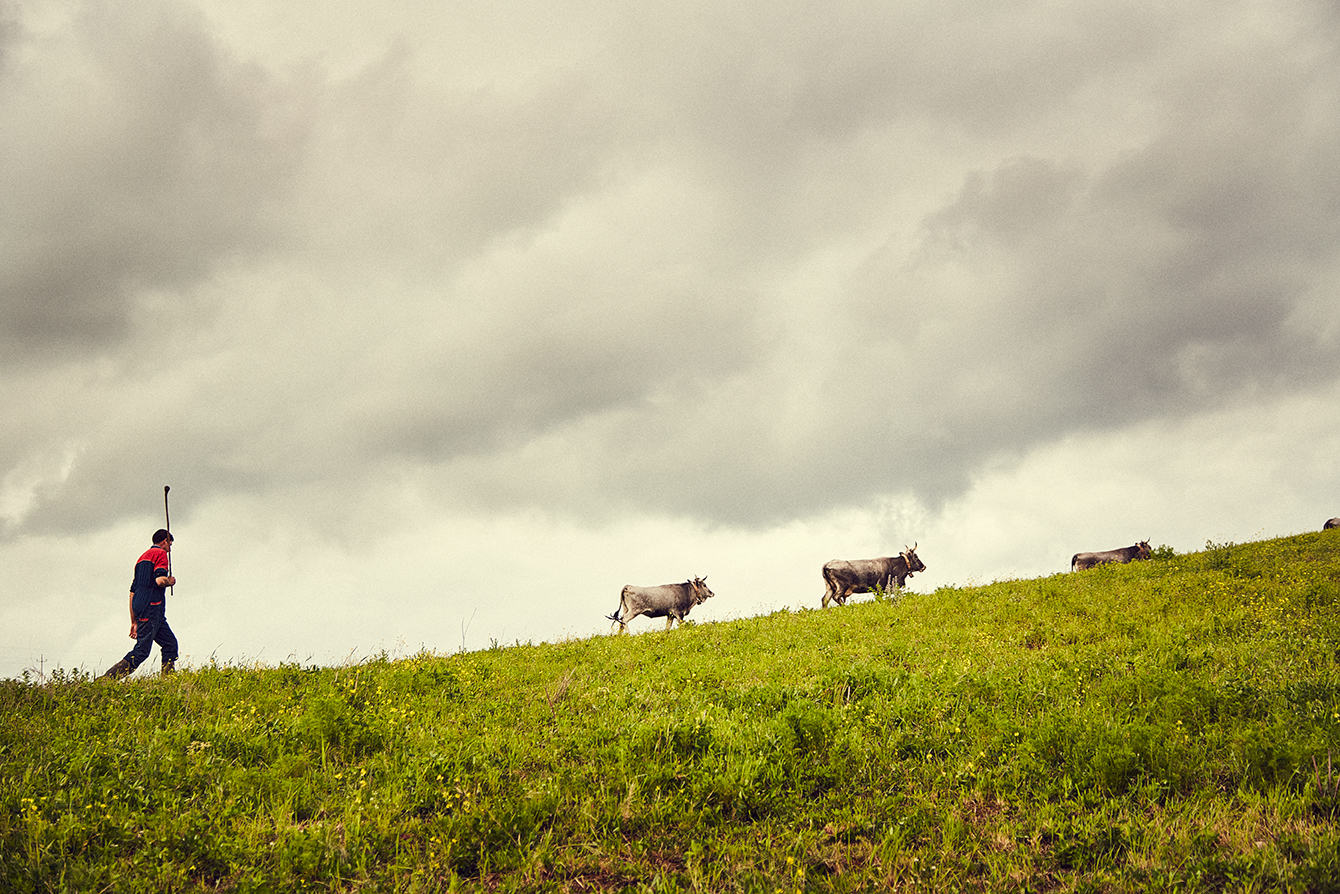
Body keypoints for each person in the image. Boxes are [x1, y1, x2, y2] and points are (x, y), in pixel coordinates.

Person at [101, 529, 178, 679]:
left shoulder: (141, 559)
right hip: (152, 606)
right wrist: (170, 581)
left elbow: (132, 592)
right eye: (170, 544)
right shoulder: (160, 554)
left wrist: (133, 621)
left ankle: (169, 682)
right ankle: (106, 680)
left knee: (170, 643)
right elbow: (160, 580)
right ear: (164, 542)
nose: (170, 549)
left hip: (142, 607)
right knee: (142, 651)